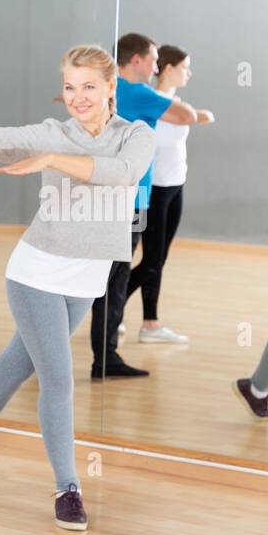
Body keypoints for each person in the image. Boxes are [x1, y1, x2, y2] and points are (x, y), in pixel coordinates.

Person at [0, 45, 154, 532]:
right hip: (35, 273)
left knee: (6, 374)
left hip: (84, 280)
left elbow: (122, 175)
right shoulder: (50, 132)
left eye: (88, 87)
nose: (77, 97)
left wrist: (54, 160)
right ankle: (68, 488)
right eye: (69, 87)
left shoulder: (134, 137)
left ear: (110, 89)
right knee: (57, 379)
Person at [89, 32, 199, 379]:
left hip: (108, 194)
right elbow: (187, 115)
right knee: (115, 279)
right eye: (152, 60)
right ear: (135, 61)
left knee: (107, 276)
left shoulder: (107, 87)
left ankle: (101, 352)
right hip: (131, 199)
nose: (156, 67)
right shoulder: (138, 92)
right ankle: (105, 359)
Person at [127, 44, 215, 344]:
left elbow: (195, 117)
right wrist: (197, 114)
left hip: (176, 186)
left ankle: (149, 322)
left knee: (158, 259)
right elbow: (192, 118)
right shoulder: (154, 103)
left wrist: (196, 113)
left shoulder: (172, 102)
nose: (188, 73)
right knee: (152, 260)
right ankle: (111, 304)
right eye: (184, 67)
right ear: (167, 69)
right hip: (156, 191)